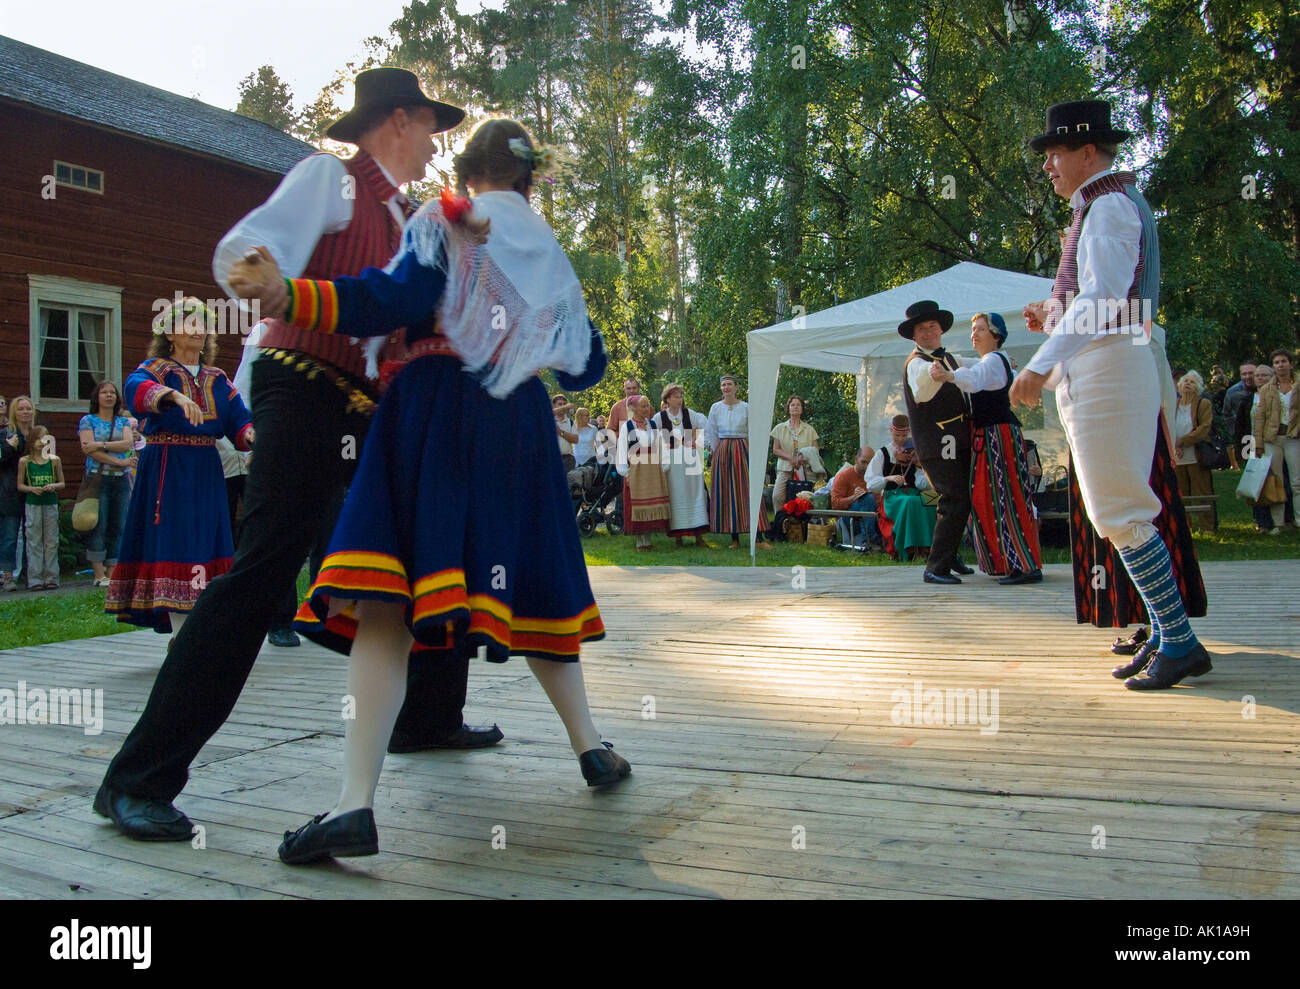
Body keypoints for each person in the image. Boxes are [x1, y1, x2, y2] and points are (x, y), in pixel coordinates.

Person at [94, 68, 498, 844]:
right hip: (304, 383)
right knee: (263, 573)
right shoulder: (331, 179)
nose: (435, 143)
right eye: (429, 128)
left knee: (429, 548)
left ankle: (429, 716)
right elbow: (243, 254)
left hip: (367, 406)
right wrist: (264, 278)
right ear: (399, 121)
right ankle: (135, 778)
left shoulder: (403, 213)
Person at [228, 116, 628, 864]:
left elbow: (388, 296)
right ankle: (593, 748)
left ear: (468, 171)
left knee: (388, 598)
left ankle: (354, 804)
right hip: (520, 422)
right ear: (528, 180)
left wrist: (292, 295)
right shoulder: (549, 249)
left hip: (440, 404)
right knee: (535, 581)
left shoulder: (444, 220)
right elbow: (586, 367)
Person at [1010, 99, 1212, 690]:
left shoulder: (1110, 207)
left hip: (1110, 366)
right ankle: (1170, 636)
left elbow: (1103, 301)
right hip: (1105, 364)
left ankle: (1178, 640)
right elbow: (1094, 297)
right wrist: (1052, 312)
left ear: (1087, 151)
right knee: (1116, 510)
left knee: (1120, 510)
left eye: (1054, 153)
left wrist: (1040, 367)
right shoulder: (1103, 207)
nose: (1048, 165)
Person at [105, 299, 254, 636]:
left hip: (206, 468)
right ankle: (181, 635)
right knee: (175, 541)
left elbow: (239, 421)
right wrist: (175, 397)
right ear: (171, 333)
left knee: (207, 541)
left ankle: (203, 628)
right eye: (190, 323)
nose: (199, 330)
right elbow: (135, 389)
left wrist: (258, 436)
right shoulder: (156, 369)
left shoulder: (218, 379)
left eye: (203, 324)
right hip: (168, 468)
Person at [930, 311, 1043, 583]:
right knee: (994, 498)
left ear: (996, 335)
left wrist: (948, 376)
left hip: (997, 436)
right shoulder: (995, 360)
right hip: (994, 434)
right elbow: (971, 366)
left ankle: (1022, 566)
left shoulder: (992, 361)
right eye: (973, 329)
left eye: (980, 329)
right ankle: (1012, 563)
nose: (974, 334)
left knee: (1002, 498)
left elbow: (974, 378)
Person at [898, 300, 975, 584]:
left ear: (940, 329)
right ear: (914, 335)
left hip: (956, 440)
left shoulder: (951, 357)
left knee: (962, 498)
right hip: (939, 444)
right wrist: (935, 377)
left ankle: (950, 554)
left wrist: (999, 362)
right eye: (922, 328)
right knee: (953, 499)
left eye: (932, 326)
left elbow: (976, 370)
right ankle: (935, 567)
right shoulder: (917, 363)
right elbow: (924, 393)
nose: (928, 332)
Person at [78, 383, 136, 587]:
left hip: (121, 479)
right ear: (97, 397)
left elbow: (127, 444)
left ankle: (113, 572)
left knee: (118, 525)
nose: (109, 396)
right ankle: (98, 574)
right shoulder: (88, 421)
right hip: (98, 479)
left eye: (112, 392)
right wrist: (120, 460)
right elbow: (88, 450)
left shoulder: (123, 422)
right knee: (98, 524)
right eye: (104, 392)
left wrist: (100, 444)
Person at [705, 374, 770, 549]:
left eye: (729, 384)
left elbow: (753, 430)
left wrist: (751, 450)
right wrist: (716, 451)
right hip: (723, 450)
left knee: (748, 490)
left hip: (742, 448)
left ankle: (759, 538)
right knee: (728, 492)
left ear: (736, 387)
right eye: (723, 385)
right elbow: (711, 431)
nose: (726, 387)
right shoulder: (716, 408)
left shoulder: (746, 407)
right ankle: (734, 538)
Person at [865, 417, 936, 560]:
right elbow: (870, 484)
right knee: (910, 502)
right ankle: (909, 549)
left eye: (904, 435)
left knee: (931, 501)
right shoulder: (883, 453)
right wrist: (888, 478)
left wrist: (920, 466)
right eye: (897, 435)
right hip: (893, 497)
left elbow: (923, 484)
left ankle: (929, 549)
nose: (901, 439)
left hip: (913, 493)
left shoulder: (913, 453)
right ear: (891, 431)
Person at [658, 384, 710, 547]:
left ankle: (698, 535)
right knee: (676, 494)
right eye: (676, 397)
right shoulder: (659, 417)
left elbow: (706, 428)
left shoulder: (690, 414)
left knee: (695, 493)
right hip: (673, 461)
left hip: (690, 458)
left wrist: (698, 442)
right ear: (667, 399)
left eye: (681, 396)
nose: (679, 400)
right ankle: (678, 537)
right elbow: (653, 437)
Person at [617, 394, 669, 551]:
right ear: (633, 408)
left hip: (652, 469)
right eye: (643, 406)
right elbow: (622, 450)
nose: (647, 408)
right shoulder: (627, 427)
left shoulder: (652, 424)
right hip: (636, 470)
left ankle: (648, 539)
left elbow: (659, 446)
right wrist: (625, 472)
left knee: (651, 503)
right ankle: (639, 540)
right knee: (636, 504)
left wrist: (664, 466)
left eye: (648, 405)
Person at [16, 424, 65, 589]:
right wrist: (32, 489)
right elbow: (20, 485)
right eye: (37, 438)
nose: (41, 442)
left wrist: (53, 486)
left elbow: (62, 483)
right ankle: (35, 579)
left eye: (44, 438)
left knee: (51, 541)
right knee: (34, 541)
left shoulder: (54, 460)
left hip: (50, 503)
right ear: (31, 441)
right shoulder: (25, 461)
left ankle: (51, 577)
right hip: (33, 504)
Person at [0, 396, 37, 591]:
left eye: (28, 408)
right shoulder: (7, 433)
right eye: (21, 409)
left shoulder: (36, 434)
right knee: (9, 534)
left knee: (31, 534)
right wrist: (8, 446)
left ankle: (33, 575)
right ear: (14, 412)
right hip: (10, 490)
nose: (25, 412)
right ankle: (7, 576)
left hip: (33, 490)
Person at [1171, 370, 1216, 527]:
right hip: (1177, 454)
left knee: (1202, 489)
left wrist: (1182, 442)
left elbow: (1204, 428)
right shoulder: (1172, 404)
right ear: (1178, 386)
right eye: (1185, 381)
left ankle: (1208, 525)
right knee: (1181, 490)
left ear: (1198, 387)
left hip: (1197, 453)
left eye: (1192, 382)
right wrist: (1175, 445)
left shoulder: (1203, 404)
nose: (1188, 384)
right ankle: (1185, 525)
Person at [1250, 363, 1287, 533]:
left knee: (1279, 479)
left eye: (1264, 375)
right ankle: (1262, 520)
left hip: (1273, 440)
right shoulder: (1246, 396)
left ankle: (1285, 519)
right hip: (1251, 442)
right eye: (1257, 375)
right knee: (1257, 481)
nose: (1260, 378)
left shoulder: (1276, 393)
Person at [770, 395, 821, 508]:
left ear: (802, 409)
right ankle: (781, 521)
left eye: (798, 405)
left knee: (804, 499)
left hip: (804, 470)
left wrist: (802, 458)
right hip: (785, 468)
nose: (795, 407)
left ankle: (802, 524)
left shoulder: (809, 429)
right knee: (777, 496)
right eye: (792, 405)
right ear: (788, 408)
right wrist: (791, 458)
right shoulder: (780, 428)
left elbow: (815, 450)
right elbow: (776, 449)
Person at [1267, 348, 1299, 525]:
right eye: (1277, 362)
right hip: (1273, 439)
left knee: (1297, 482)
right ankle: (1278, 523)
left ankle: (1299, 520)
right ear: (1273, 366)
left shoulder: (1298, 386)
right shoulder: (1267, 389)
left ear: (1290, 364)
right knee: (1276, 481)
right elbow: (1260, 416)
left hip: (1294, 437)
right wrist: (1258, 442)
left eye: (1283, 361)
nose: (1280, 365)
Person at [830, 444, 881, 547]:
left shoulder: (875, 478)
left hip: (870, 517)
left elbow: (879, 503)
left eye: (870, 463)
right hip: (848, 519)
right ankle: (869, 540)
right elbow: (834, 504)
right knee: (867, 499)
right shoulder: (843, 476)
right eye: (863, 462)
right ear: (856, 459)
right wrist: (853, 498)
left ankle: (873, 539)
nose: (867, 467)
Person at [553, 394, 578, 471]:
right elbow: (545, 414)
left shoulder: (570, 422)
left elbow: (575, 440)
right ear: (553, 405)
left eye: (564, 404)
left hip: (568, 460)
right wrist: (565, 407)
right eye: (560, 404)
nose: (563, 406)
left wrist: (560, 432)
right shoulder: (548, 419)